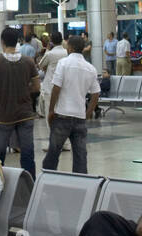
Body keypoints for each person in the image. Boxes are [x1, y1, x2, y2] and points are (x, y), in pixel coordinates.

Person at [43, 36, 101, 174]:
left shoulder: (63, 63)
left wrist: (51, 110)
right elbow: (96, 94)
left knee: (53, 153)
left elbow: (56, 88)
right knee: (80, 156)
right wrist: (88, 113)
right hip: (79, 117)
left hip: (62, 115)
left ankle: (47, 180)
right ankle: (80, 184)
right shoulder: (91, 68)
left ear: (70, 48)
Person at [0, 27, 40, 179]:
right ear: (17, 40)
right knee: (27, 152)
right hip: (25, 113)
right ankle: (30, 184)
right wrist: (23, 89)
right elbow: (37, 87)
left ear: (2, 41)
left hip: (4, 115)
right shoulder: (28, 61)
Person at [36, 37, 67, 119]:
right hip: (63, 85)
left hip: (50, 85)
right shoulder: (66, 52)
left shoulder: (50, 54)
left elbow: (40, 65)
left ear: (51, 42)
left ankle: (51, 130)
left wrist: (47, 50)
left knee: (49, 111)